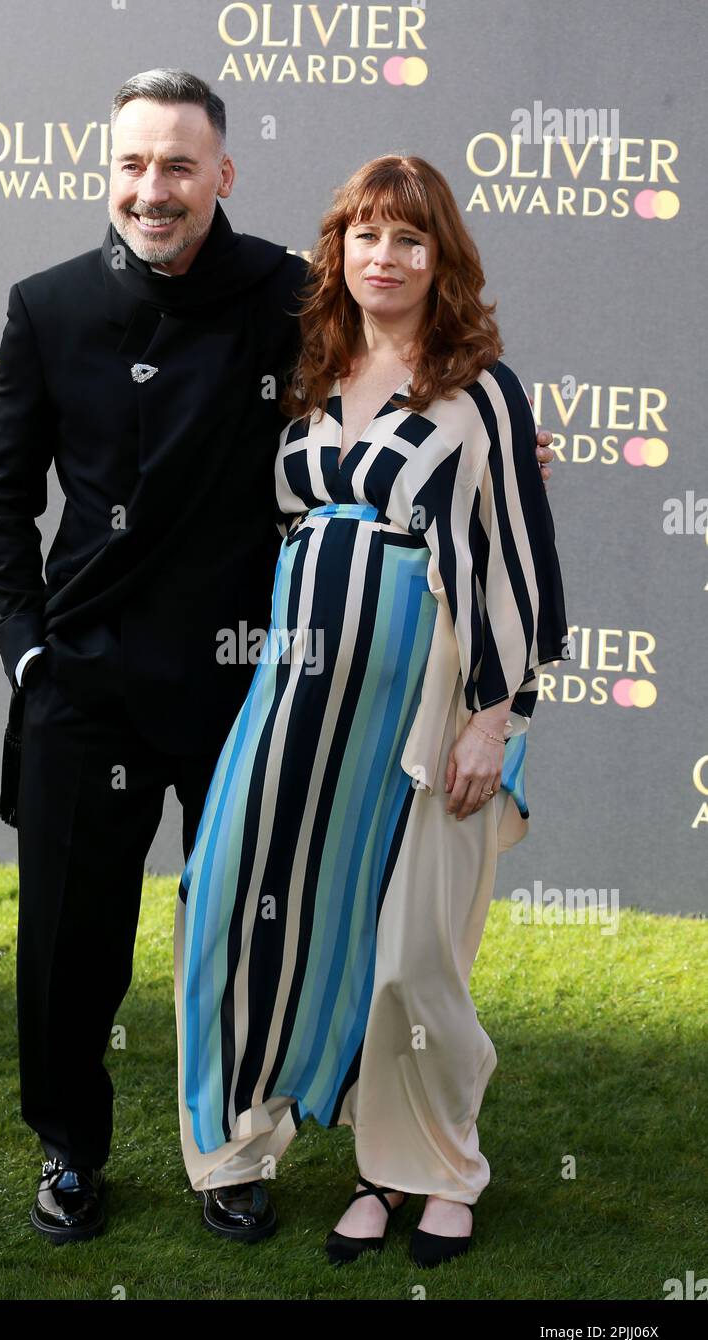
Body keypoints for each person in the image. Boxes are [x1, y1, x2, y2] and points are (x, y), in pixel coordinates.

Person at [0, 69, 557, 1245]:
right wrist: (31, 656)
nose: (154, 189)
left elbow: (428, 387)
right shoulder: (48, 305)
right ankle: (71, 1152)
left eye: (178, 166)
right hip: (89, 679)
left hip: (256, 683)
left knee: (266, 921)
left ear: (221, 174)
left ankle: (247, 1156)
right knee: (68, 947)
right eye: (133, 165)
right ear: (108, 172)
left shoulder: (291, 292)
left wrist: (504, 453)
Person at [173, 154, 570, 1269]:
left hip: (428, 699)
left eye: (407, 239)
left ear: (439, 258)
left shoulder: (478, 384)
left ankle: (430, 1170)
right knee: (235, 898)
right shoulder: (305, 373)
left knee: (412, 954)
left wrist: (493, 715)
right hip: (296, 695)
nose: (382, 258)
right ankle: (250, 1140)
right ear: (334, 252)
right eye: (363, 236)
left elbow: (513, 557)